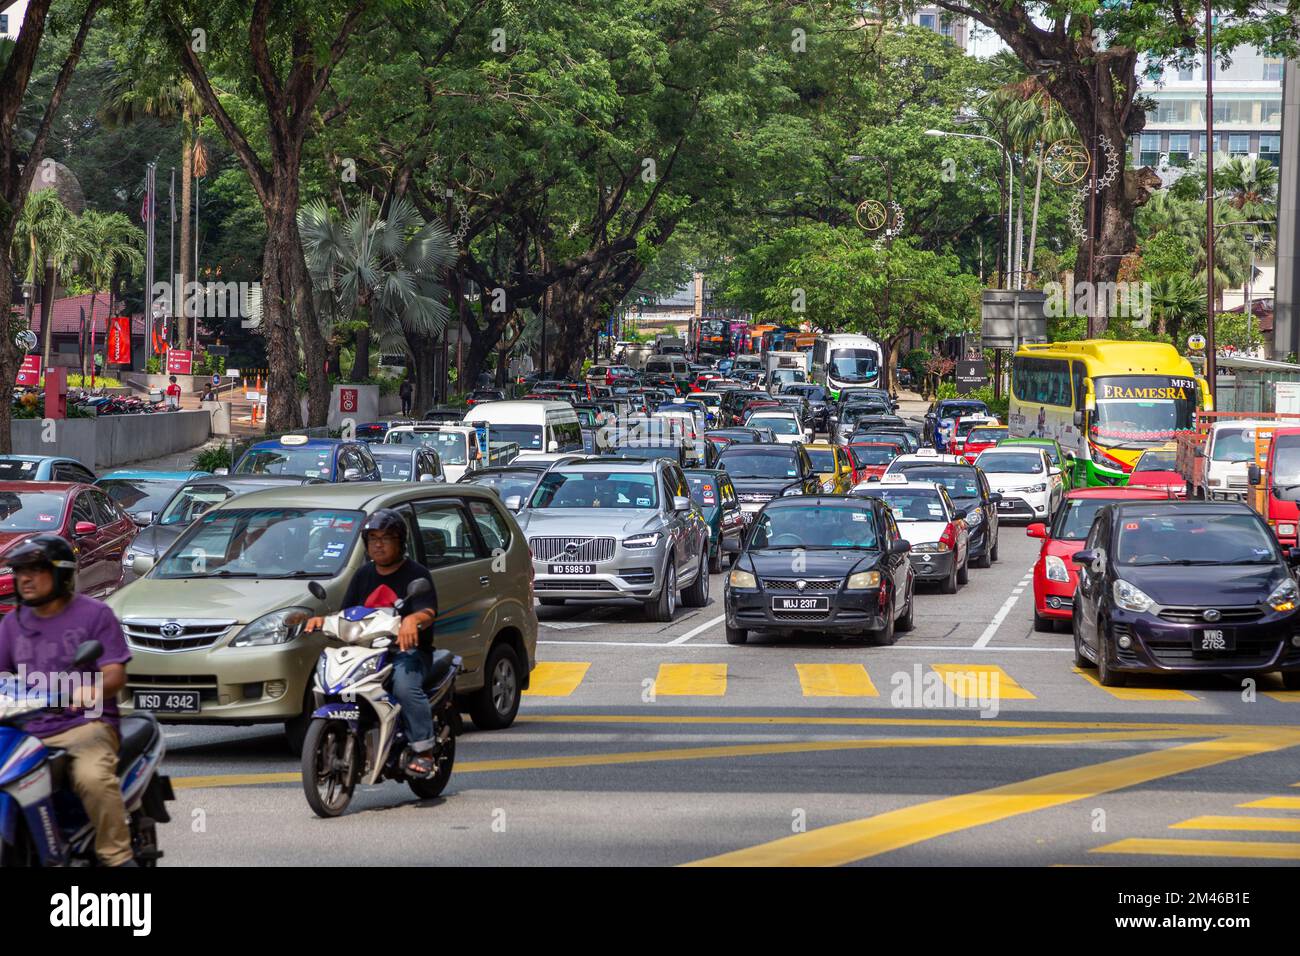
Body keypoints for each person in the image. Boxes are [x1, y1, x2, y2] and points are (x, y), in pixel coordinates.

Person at [0, 535, 135, 866]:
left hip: (84, 725)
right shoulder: (10, 624)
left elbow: (115, 674)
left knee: (92, 777)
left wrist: (87, 693)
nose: (25, 579)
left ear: (61, 574)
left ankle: (118, 857)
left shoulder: (96, 615)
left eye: (35, 570)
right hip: (24, 728)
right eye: (19, 571)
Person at [303, 510, 440, 774]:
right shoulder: (363, 575)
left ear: (400, 542)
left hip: (406, 653)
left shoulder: (416, 574)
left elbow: (428, 611)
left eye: (386, 537)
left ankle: (424, 750)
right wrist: (323, 620)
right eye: (373, 538)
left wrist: (413, 620)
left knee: (404, 688)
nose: (379, 543)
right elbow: (347, 613)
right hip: (364, 652)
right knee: (331, 679)